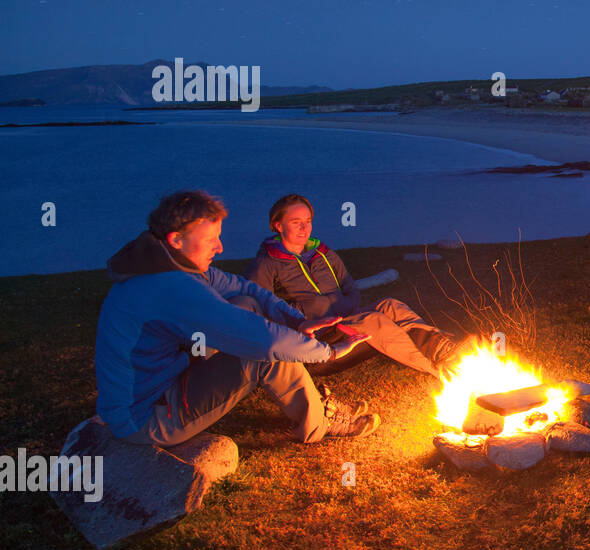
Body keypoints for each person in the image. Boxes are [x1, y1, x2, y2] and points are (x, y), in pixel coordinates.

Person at [95, 190, 380, 447]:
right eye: (210, 240)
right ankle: (320, 422)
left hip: (162, 383)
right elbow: (263, 340)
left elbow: (245, 288)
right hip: (146, 417)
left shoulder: (162, 263)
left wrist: (296, 322)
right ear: (176, 239)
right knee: (262, 352)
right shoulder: (169, 286)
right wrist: (327, 352)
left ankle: (314, 406)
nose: (219, 247)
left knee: (247, 304)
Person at [244, 194, 482, 376]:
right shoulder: (267, 264)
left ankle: (445, 348)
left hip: (343, 323)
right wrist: (302, 323)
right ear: (278, 225)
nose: (304, 228)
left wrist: (346, 308)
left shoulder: (322, 253)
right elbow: (259, 310)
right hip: (315, 343)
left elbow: (349, 286)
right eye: (296, 222)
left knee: (390, 305)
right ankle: (443, 372)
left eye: (307, 221)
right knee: (372, 321)